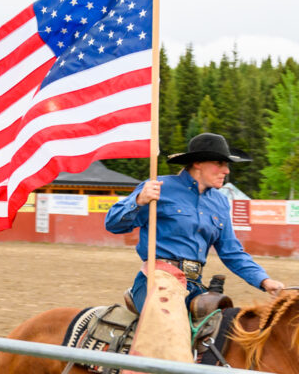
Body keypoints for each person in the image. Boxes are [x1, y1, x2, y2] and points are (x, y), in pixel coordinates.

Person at [105, 132, 286, 312]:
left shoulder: (220, 203)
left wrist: (264, 280)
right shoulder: (159, 187)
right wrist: (138, 200)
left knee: (225, 330)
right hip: (155, 281)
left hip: (195, 287)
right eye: (219, 163)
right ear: (198, 163)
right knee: (169, 329)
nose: (227, 171)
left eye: (227, 165)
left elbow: (232, 252)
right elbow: (113, 224)